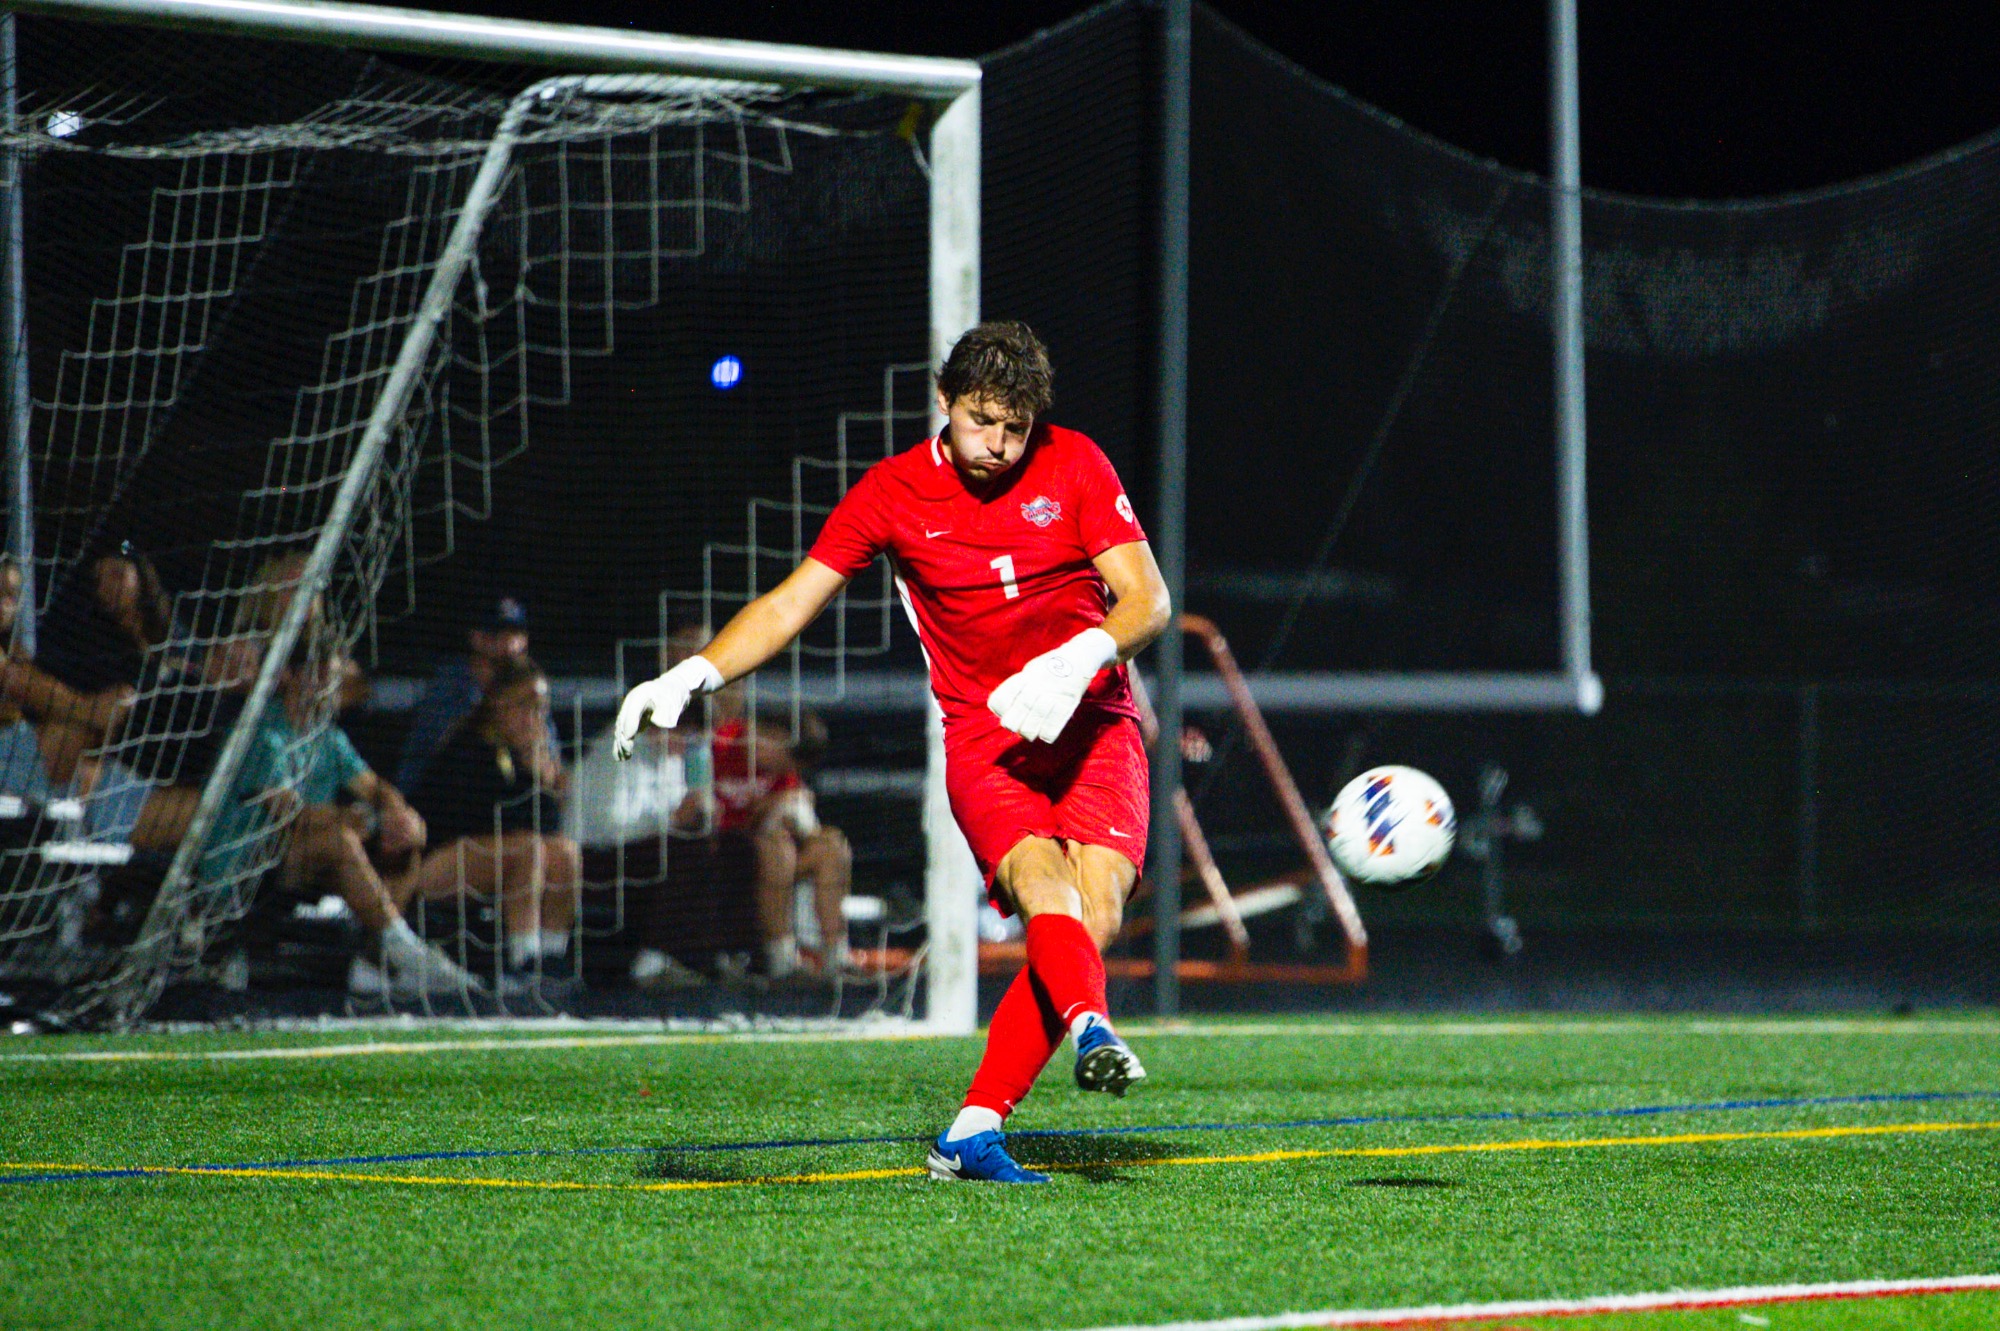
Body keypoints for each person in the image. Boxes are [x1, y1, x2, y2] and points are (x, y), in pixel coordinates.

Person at [615, 321, 1170, 1183]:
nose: (999, 445)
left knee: (1095, 913)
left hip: (1095, 721)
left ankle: (968, 1134)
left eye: (1016, 428)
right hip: (988, 738)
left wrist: (1080, 657)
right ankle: (1092, 1025)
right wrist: (694, 671)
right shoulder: (894, 491)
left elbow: (1149, 602)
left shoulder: (1077, 463)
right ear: (944, 403)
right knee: (1040, 885)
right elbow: (791, 602)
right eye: (983, 420)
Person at [221, 652, 484, 998]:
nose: (330, 689)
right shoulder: (265, 733)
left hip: (308, 857)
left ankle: (377, 960)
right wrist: (362, 818)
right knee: (341, 841)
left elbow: (374, 787)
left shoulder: (328, 736)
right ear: (291, 676)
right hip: (245, 862)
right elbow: (292, 816)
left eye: (336, 681)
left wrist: (399, 814)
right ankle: (407, 952)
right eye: (322, 677)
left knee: (405, 840)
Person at [406, 655, 580, 978]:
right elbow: (487, 820)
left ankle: (552, 958)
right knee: (525, 848)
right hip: (428, 865)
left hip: (488, 856)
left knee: (565, 853)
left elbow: (549, 827)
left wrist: (541, 780)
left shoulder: (522, 752)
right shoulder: (471, 745)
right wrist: (534, 780)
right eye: (527, 705)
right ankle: (523, 963)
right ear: (499, 704)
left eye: (542, 707)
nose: (537, 717)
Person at [395, 595, 551, 791]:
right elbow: (451, 756)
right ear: (476, 638)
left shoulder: (529, 686)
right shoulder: (451, 684)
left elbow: (551, 763)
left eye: (516, 635)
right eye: (498, 635)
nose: (510, 645)